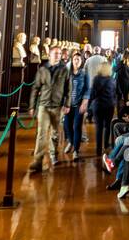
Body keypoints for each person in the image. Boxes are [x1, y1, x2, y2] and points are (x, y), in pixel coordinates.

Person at [28, 46, 71, 174]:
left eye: (59, 54)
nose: (58, 55)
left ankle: (54, 154)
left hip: (58, 106)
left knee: (55, 133)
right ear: (50, 54)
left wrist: (67, 104)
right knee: (41, 133)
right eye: (55, 53)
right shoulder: (42, 69)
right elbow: (35, 88)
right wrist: (31, 106)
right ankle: (38, 160)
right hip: (44, 105)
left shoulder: (64, 70)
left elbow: (69, 88)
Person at [88, 56, 118, 161]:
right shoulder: (112, 79)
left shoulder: (96, 79)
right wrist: (114, 103)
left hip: (98, 106)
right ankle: (106, 146)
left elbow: (92, 93)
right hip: (109, 106)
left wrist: (88, 105)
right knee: (107, 126)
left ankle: (98, 149)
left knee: (99, 128)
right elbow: (115, 93)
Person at [64, 51, 90, 160]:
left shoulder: (84, 74)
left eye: (78, 59)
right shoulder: (67, 73)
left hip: (79, 104)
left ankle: (75, 150)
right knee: (67, 126)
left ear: (81, 61)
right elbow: (63, 89)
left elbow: (88, 89)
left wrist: (85, 102)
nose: (76, 61)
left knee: (77, 126)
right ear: (72, 60)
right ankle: (70, 141)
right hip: (68, 104)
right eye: (75, 59)